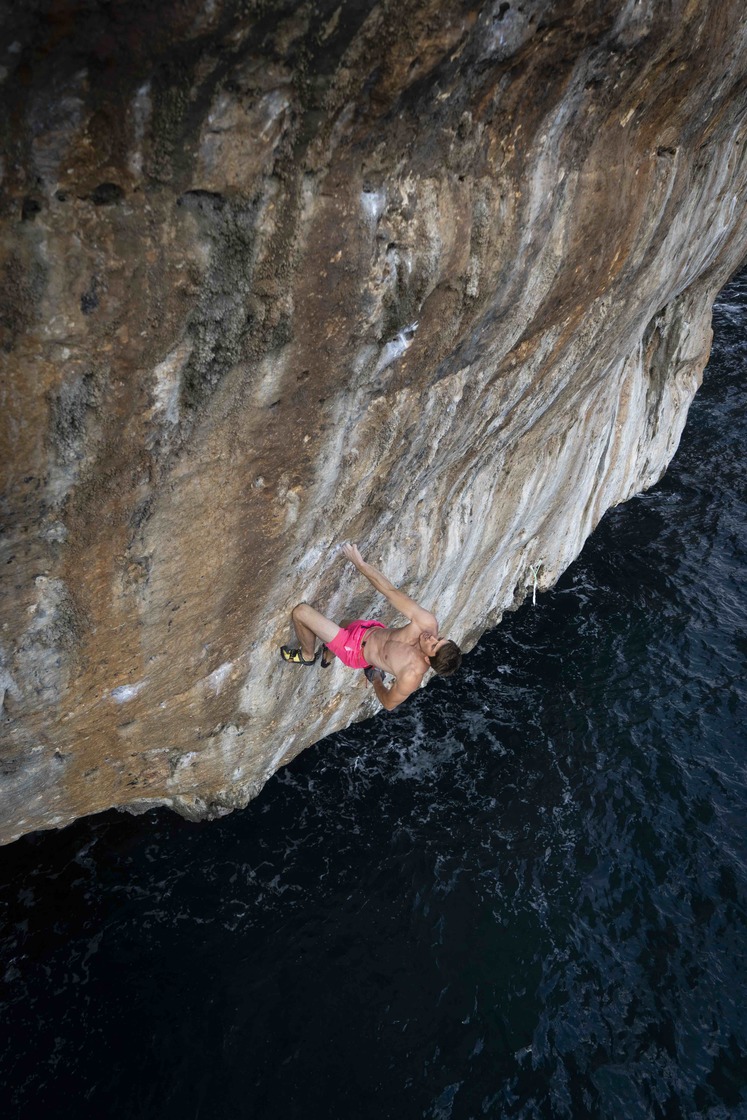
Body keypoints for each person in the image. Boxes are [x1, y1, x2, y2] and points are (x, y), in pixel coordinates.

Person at [280, 543, 462, 710]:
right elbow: (391, 592)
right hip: (370, 629)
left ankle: (307, 655)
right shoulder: (427, 624)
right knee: (343, 623)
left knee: (301, 612)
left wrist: (376, 678)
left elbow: (389, 703)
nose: (431, 637)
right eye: (439, 639)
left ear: (428, 660)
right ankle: (328, 654)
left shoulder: (411, 675)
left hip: (354, 650)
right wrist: (360, 564)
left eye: (433, 645)